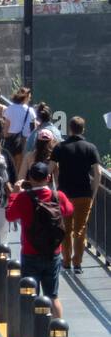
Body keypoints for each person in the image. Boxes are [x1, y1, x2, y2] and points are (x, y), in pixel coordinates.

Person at [6, 161, 73, 320]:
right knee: (52, 296)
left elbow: (9, 215)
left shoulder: (23, 198)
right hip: (53, 253)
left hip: (30, 253)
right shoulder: (58, 196)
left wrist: (14, 194)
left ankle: (32, 332)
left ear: (30, 178)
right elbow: (69, 210)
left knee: (30, 295)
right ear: (48, 177)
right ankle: (58, 330)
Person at [51, 116, 101, 274]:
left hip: (65, 194)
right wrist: (93, 192)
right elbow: (98, 172)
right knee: (80, 230)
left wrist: (57, 184)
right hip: (84, 194)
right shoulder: (90, 148)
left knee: (65, 229)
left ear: (70, 129)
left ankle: (66, 262)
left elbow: (51, 167)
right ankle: (77, 263)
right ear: (83, 129)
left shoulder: (60, 147)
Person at [3, 87, 36, 158]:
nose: (30, 100)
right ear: (25, 97)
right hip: (24, 143)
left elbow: (5, 132)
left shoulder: (10, 108)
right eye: (29, 97)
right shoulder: (30, 110)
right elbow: (34, 130)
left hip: (10, 142)